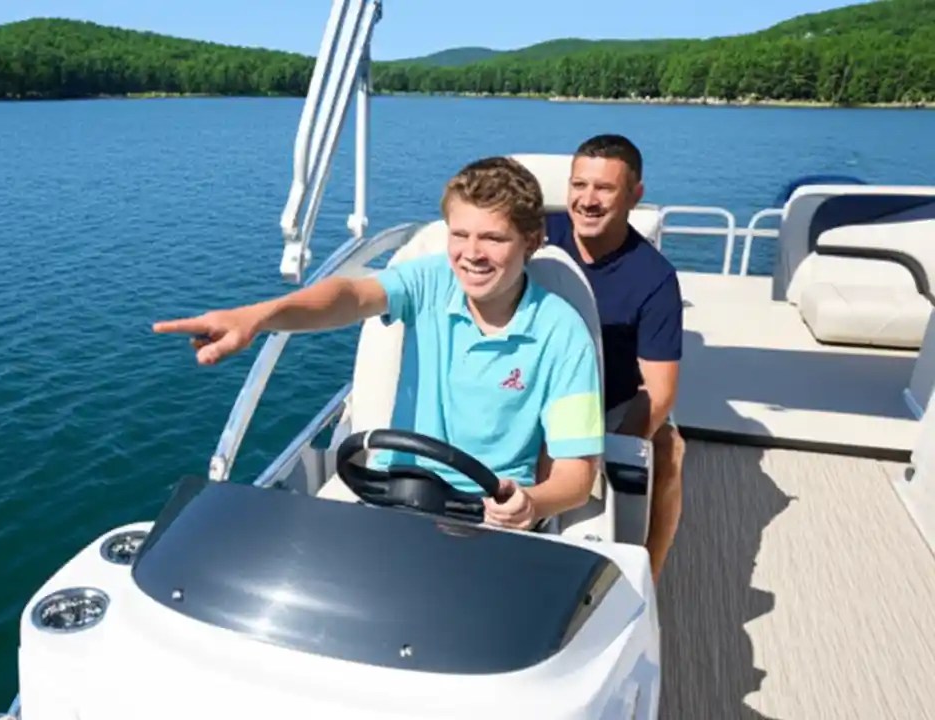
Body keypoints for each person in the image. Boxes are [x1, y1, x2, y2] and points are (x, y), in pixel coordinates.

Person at [154, 157, 605, 531]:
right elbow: (351, 295)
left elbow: (575, 477)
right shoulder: (430, 282)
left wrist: (531, 504)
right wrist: (259, 316)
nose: (471, 253)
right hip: (396, 497)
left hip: (491, 518)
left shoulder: (563, 336)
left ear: (532, 241)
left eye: (492, 237)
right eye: (459, 234)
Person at [545, 133, 686, 583]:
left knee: (669, 450)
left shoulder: (655, 278)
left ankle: (649, 576)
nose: (587, 200)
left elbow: (660, 391)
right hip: (535, 390)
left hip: (611, 401)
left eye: (604, 188)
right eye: (578, 185)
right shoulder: (536, 239)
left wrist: (605, 452)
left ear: (634, 195)